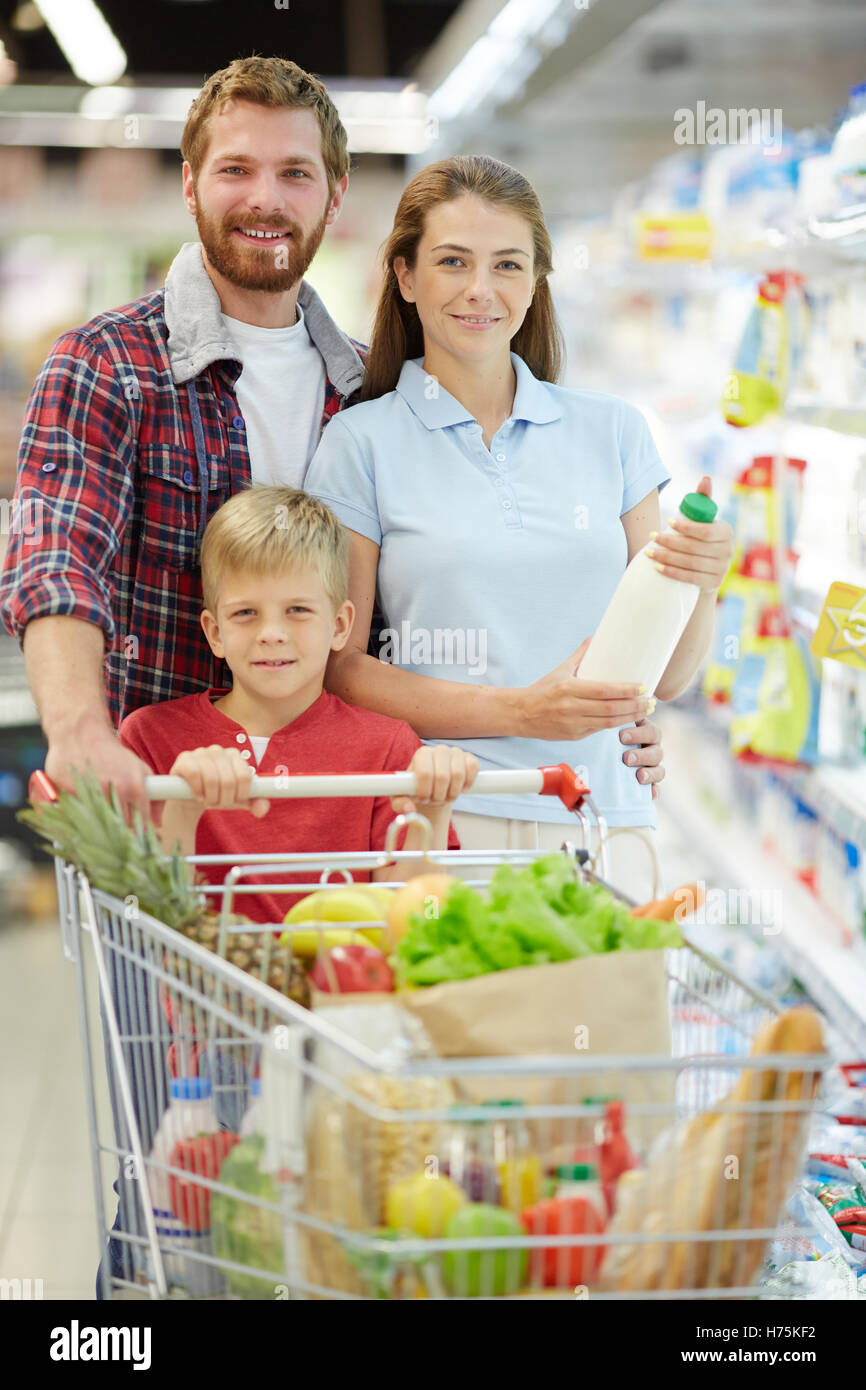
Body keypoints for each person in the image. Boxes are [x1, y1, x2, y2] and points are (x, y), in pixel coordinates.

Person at [304, 155, 735, 900]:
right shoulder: (360, 444)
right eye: (451, 262)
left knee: (613, 1019)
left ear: (536, 281)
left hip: (608, 821)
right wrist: (523, 713)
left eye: (508, 264)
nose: (481, 290)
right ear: (404, 277)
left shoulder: (616, 433)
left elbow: (664, 675)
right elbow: (340, 668)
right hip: (451, 818)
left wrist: (704, 581)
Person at [0, 55, 367, 826]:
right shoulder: (106, 364)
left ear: (334, 196)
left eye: (295, 174)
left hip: (335, 818)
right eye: (237, 169)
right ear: (191, 184)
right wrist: (78, 732)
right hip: (161, 813)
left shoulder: (371, 388)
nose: (265, 199)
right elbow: (58, 558)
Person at [118, 485, 476, 921]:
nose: (272, 633)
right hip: (204, 987)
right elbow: (141, 917)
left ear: (341, 625)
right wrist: (183, 806)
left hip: (345, 986)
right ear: (214, 633)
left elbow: (417, 918)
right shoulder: (150, 737)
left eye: (298, 611)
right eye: (245, 613)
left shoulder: (390, 747)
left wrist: (433, 811)